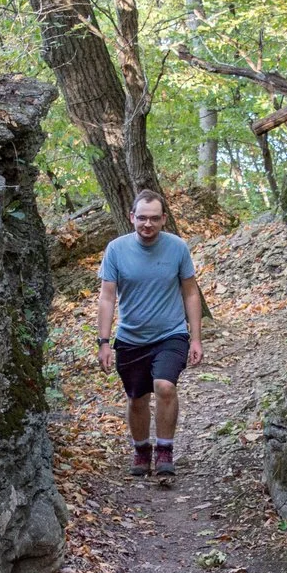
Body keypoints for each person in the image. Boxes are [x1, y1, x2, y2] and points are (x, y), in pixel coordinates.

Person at [96, 189, 203, 478]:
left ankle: (165, 450)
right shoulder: (116, 249)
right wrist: (104, 342)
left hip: (171, 333)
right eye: (142, 218)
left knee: (165, 386)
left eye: (154, 218)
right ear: (131, 217)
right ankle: (142, 450)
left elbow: (191, 292)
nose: (147, 224)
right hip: (131, 338)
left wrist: (195, 337)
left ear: (164, 219)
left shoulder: (178, 248)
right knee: (137, 398)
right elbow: (107, 297)